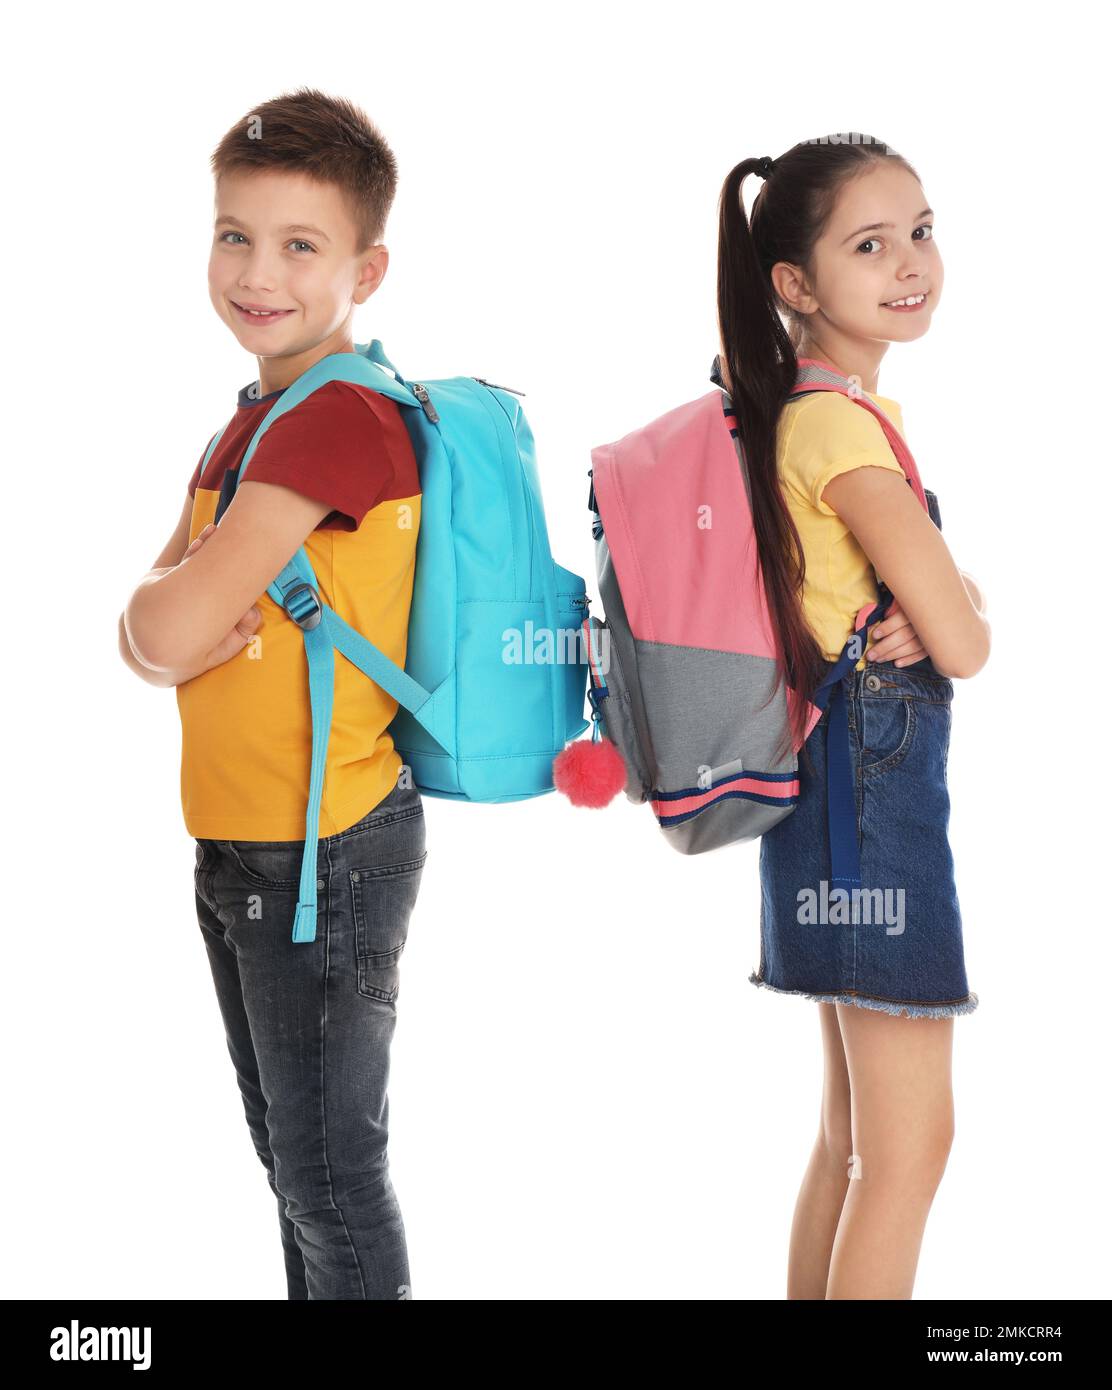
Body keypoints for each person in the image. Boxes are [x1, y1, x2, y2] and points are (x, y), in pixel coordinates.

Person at [118, 87, 426, 1300]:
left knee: (329, 1177)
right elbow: (159, 624)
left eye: (301, 245)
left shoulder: (332, 422)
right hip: (251, 843)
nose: (259, 271)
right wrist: (161, 617)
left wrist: (163, 614)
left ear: (367, 266)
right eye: (234, 234)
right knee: (294, 1168)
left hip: (319, 850)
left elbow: (164, 622)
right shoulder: (254, 422)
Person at [713, 136, 990, 1299]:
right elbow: (966, 639)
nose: (907, 263)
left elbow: (937, 612)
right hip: (871, 806)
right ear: (792, 284)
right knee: (909, 1149)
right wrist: (954, 607)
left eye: (918, 230)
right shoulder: (839, 430)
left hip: (819, 793)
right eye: (866, 244)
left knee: (850, 1139)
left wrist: (942, 607)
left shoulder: (797, 412)